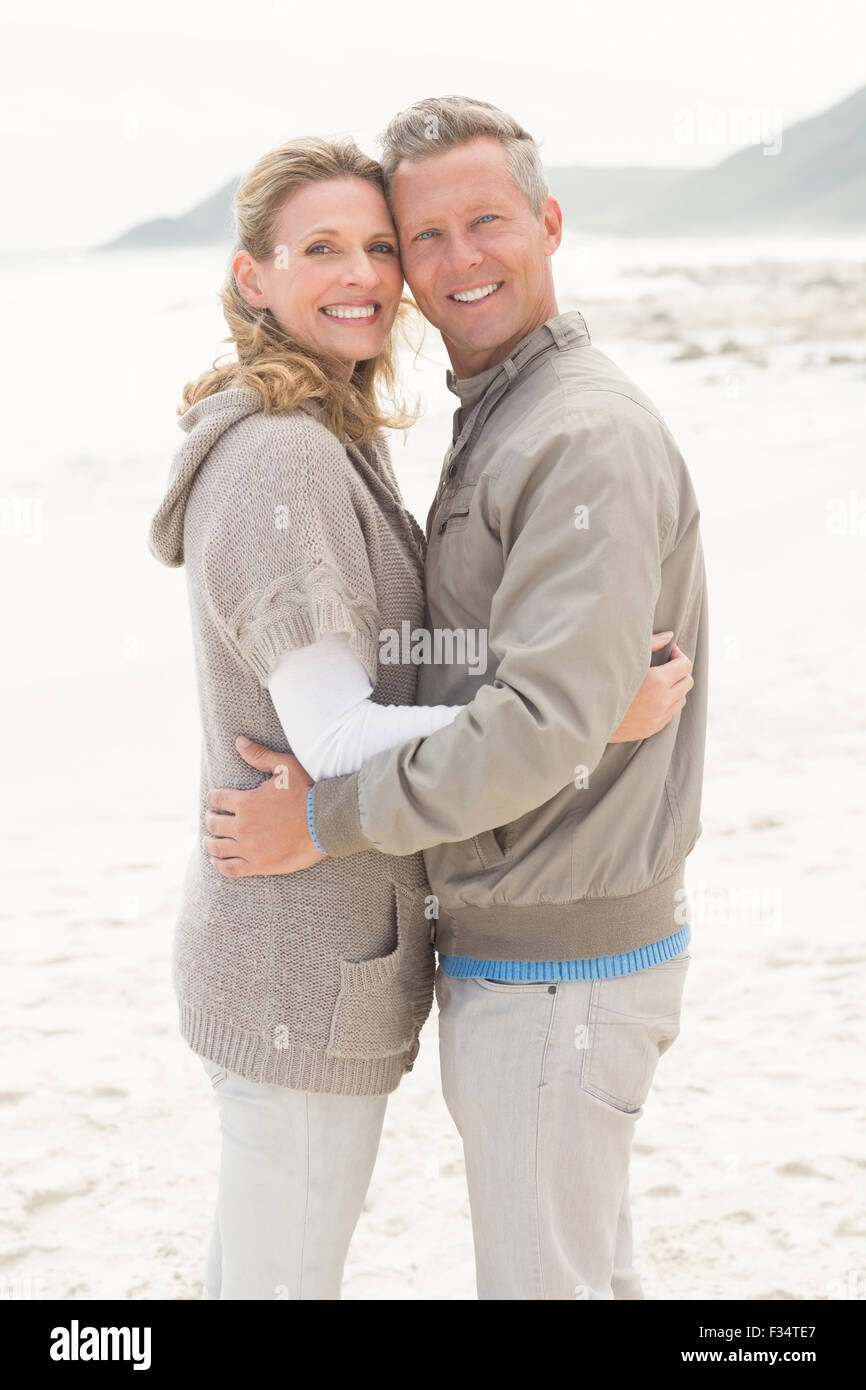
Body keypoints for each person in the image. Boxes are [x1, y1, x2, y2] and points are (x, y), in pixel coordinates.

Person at [149, 132, 686, 1300]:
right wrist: (581, 718)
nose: (365, 274)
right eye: (322, 249)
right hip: (295, 959)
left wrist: (559, 707)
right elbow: (338, 739)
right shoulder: (286, 461)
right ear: (255, 278)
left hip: (329, 952)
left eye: (376, 247)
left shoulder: (345, 441)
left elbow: (413, 678)